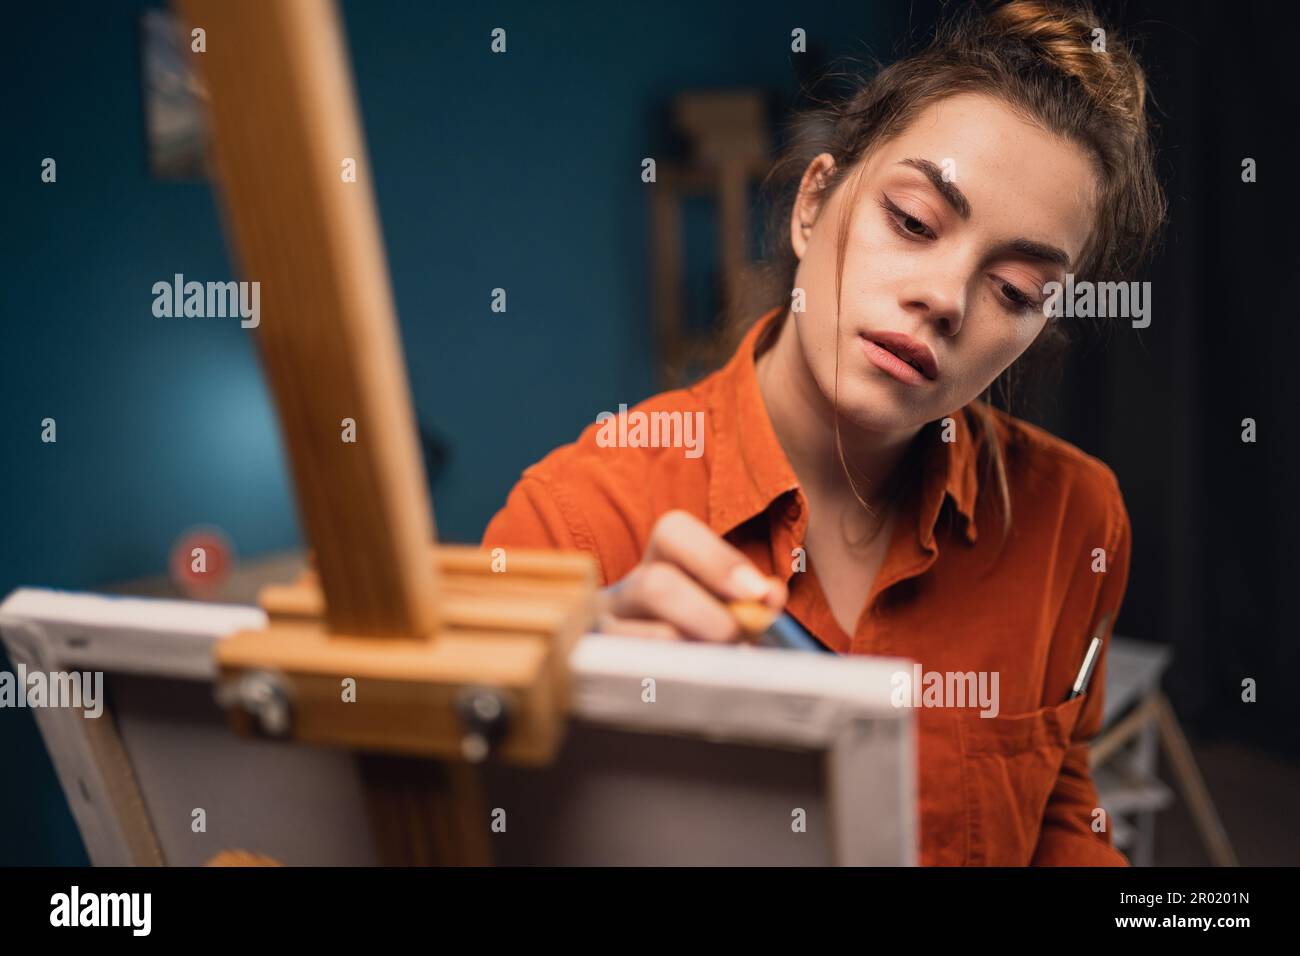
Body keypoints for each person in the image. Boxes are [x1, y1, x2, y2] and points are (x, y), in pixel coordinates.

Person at [483, 0, 1167, 865]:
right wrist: (570, 705)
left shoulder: (1077, 518)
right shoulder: (573, 521)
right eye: (914, 222)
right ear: (813, 204)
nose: (946, 298)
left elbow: (1063, 811)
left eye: (1018, 290)